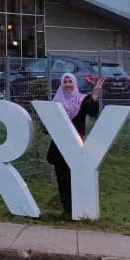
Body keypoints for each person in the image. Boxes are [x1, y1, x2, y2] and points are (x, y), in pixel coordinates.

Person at [46, 72, 104, 219]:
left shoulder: (82, 100)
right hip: (60, 147)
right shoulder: (56, 102)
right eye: (65, 82)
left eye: (70, 81)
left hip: (76, 145)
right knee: (62, 179)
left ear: (75, 83)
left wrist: (95, 95)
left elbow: (92, 112)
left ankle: (79, 209)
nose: (68, 85)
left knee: (76, 177)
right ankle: (67, 210)